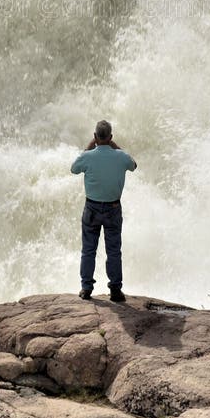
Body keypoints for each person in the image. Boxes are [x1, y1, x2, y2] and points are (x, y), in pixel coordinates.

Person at [70, 120, 137, 302]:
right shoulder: (120, 156)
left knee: (88, 249)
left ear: (95, 137)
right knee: (114, 251)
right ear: (111, 137)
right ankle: (115, 289)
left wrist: (91, 146)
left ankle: (86, 288)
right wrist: (114, 146)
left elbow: (74, 169)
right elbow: (133, 165)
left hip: (91, 207)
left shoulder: (88, 157)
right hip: (113, 208)